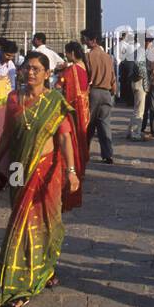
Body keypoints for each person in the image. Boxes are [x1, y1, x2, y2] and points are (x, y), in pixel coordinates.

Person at [0, 52, 80, 307]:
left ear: (47, 73)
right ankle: (32, 270)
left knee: (45, 221)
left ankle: (25, 282)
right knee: (20, 218)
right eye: (27, 68)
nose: (31, 73)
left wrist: (71, 171)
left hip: (45, 168)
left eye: (37, 69)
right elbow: (7, 134)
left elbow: (64, 138)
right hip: (18, 166)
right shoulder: (13, 99)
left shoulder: (54, 101)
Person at [57, 41, 90, 207]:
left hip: (74, 107)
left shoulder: (71, 70)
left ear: (71, 53)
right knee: (81, 137)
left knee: (72, 138)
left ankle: (74, 167)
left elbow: (61, 87)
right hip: (84, 106)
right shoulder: (84, 67)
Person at [83, 30, 116, 163]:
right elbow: (113, 77)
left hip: (94, 92)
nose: (84, 41)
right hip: (106, 93)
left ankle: (84, 152)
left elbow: (87, 76)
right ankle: (108, 154)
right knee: (104, 124)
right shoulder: (108, 57)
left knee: (88, 124)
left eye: (85, 39)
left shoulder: (88, 56)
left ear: (93, 40)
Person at [125, 37, 149, 140]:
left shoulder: (137, 51)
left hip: (135, 82)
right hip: (140, 82)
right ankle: (135, 133)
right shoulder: (141, 52)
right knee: (140, 110)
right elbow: (140, 68)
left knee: (136, 109)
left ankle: (130, 131)